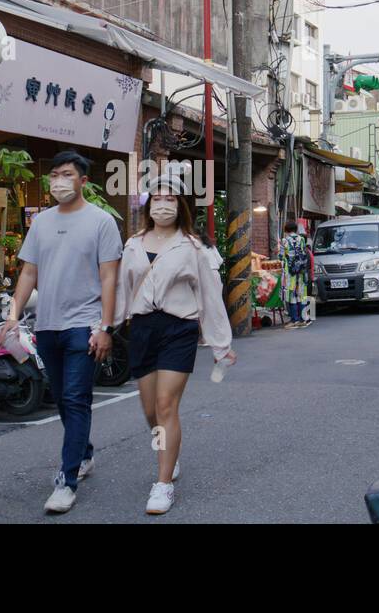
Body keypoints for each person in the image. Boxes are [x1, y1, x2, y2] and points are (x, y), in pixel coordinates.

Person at [0, 150, 121, 514]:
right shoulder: (41, 222)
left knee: (75, 398)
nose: (58, 181)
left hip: (83, 325)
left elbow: (109, 277)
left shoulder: (101, 222)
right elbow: (28, 272)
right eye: (53, 174)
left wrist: (105, 326)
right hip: (47, 325)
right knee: (62, 395)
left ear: (83, 181)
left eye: (66, 174)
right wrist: (13, 313)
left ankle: (66, 481)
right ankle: (83, 454)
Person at [112, 175, 235, 514]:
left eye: (170, 199)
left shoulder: (193, 247)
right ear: (148, 205)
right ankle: (169, 452)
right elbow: (122, 289)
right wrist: (104, 329)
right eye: (157, 199)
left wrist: (221, 344)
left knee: (166, 406)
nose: (163, 204)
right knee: (150, 410)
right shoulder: (133, 244)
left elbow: (210, 297)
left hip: (178, 329)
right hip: (142, 328)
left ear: (180, 206)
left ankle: (163, 483)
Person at [280, 220, 310, 328]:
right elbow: (303, 253)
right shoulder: (301, 239)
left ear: (286, 230)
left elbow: (281, 257)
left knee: (291, 295)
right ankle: (303, 319)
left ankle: (294, 320)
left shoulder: (284, 240)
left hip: (290, 273)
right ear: (296, 229)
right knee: (301, 295)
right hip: (301, 271)